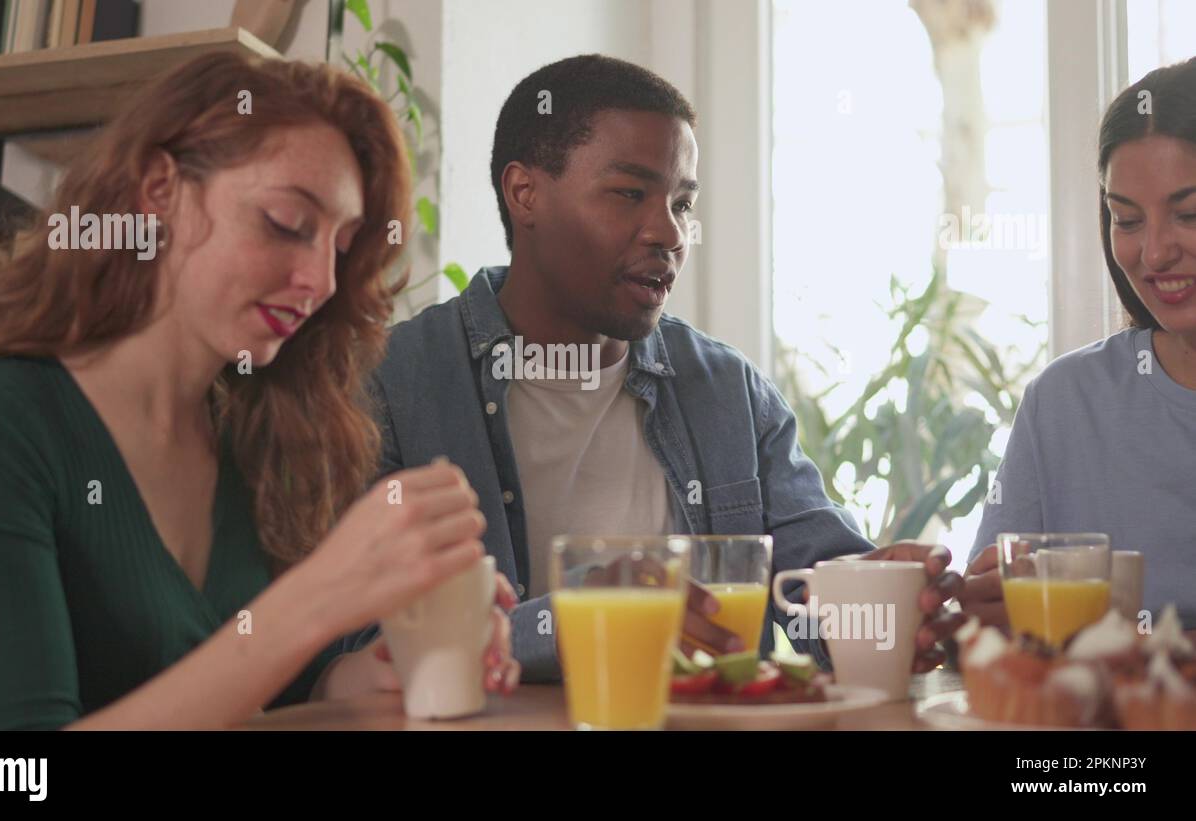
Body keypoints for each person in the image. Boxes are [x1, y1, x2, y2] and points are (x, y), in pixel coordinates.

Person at [0, 52, 518, 729]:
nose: (321, 280)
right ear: (159, 190)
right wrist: (316, 599)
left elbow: (263, 689)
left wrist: (370, 674)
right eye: (286, 221)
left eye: (340, 246)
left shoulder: (254, 429)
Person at [331, 54, 964, 682]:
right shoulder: (391, 385)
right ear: (525, 194)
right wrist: (581, 622)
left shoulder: (729, 391)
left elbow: (814, 595)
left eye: (682, 204)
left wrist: (882, 609)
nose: (670, 234)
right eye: (630, 194)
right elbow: (352, 648)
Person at [963, 57, 1196, 637]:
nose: (1155, 253)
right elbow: (992, 633)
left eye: (1189, 214)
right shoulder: (1064, 403)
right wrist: (987, 617)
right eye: (1127, 219)